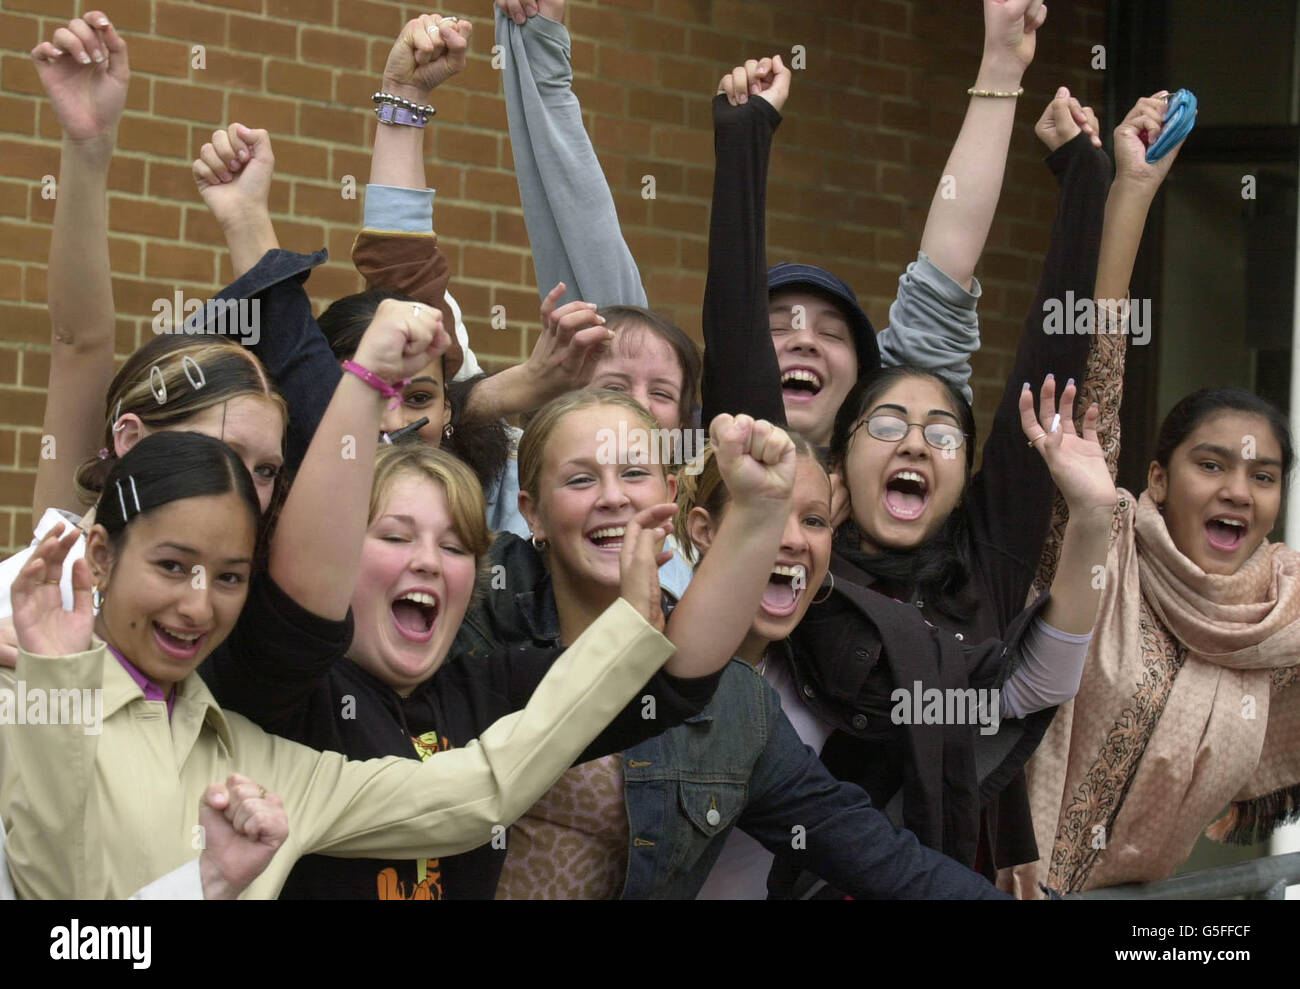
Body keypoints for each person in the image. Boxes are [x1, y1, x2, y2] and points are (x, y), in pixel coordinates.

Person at [198, 294, 798, 899]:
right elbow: (300, 607)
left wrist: (759, 512)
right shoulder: (287, 688)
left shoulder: (484, 691)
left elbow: (673, 683)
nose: (429, 561)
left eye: (455, 546)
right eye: (396, 537)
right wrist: (366, 379)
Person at [701, 35, 1123, 879]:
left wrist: (1086, 179)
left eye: (942, 434)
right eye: (888, 423)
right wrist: (744, 144)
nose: (915, 444)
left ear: (966, 478)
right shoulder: (795, 565)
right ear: (839, 470)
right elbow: (740, 363)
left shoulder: (983, 565)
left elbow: (1050, 369)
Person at [0, 430, 681, 899]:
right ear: (100, 555)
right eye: (173, 566)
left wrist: (625, 630)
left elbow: (481, 793)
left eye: (230, 577)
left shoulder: (260, 762)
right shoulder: (20, 699)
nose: (198, 605)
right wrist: (55, 689)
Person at [458, 389, 1011, 898]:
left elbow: (883, 859)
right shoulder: (471, 606)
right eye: (580, 480)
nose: (613, 497)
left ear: (668, 496)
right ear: (532, 512)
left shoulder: (737, 709)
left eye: (634, 473)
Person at [1010, 93, 1300, 896]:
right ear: (1160, 479)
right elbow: (1097, 361)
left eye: (1264, 476)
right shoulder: (1101, 544)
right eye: (1212, 464)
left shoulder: (1280, 620)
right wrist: (1133, 189)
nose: (1238, 490)